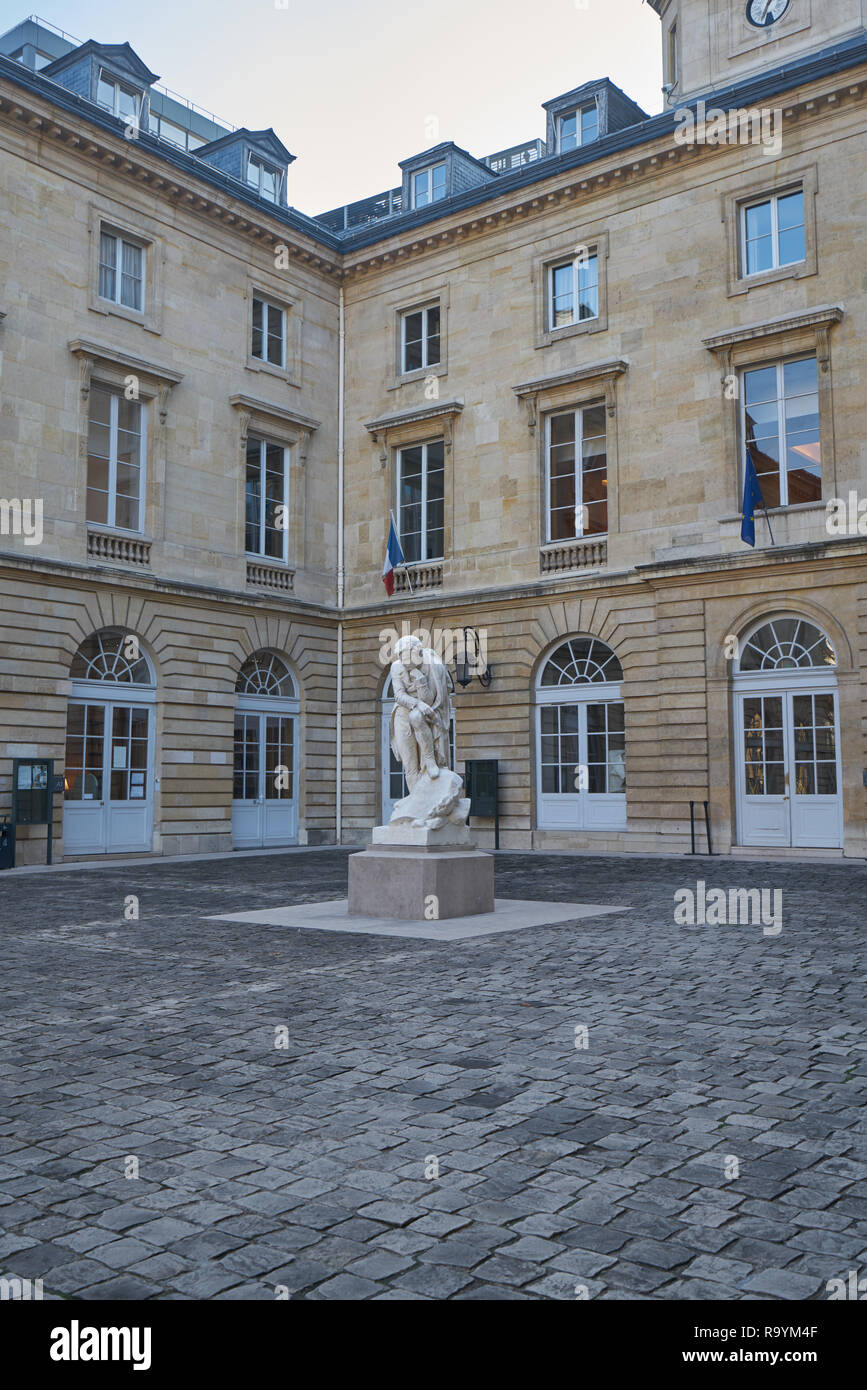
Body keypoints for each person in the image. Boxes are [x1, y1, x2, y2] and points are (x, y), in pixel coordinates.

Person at [389, 635, 450, 792]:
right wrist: (416, 703)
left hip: (426, 711)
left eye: (409, 661)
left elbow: (431, 701)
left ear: (418, 653)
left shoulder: (434, 666)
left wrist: (420, 679)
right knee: (409, 764)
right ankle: (417, 803)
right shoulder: (396, 667)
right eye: (403, 660)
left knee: (416, 717)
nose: (405, 664)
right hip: (403, 711)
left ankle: (429, 759)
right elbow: (399, 695)